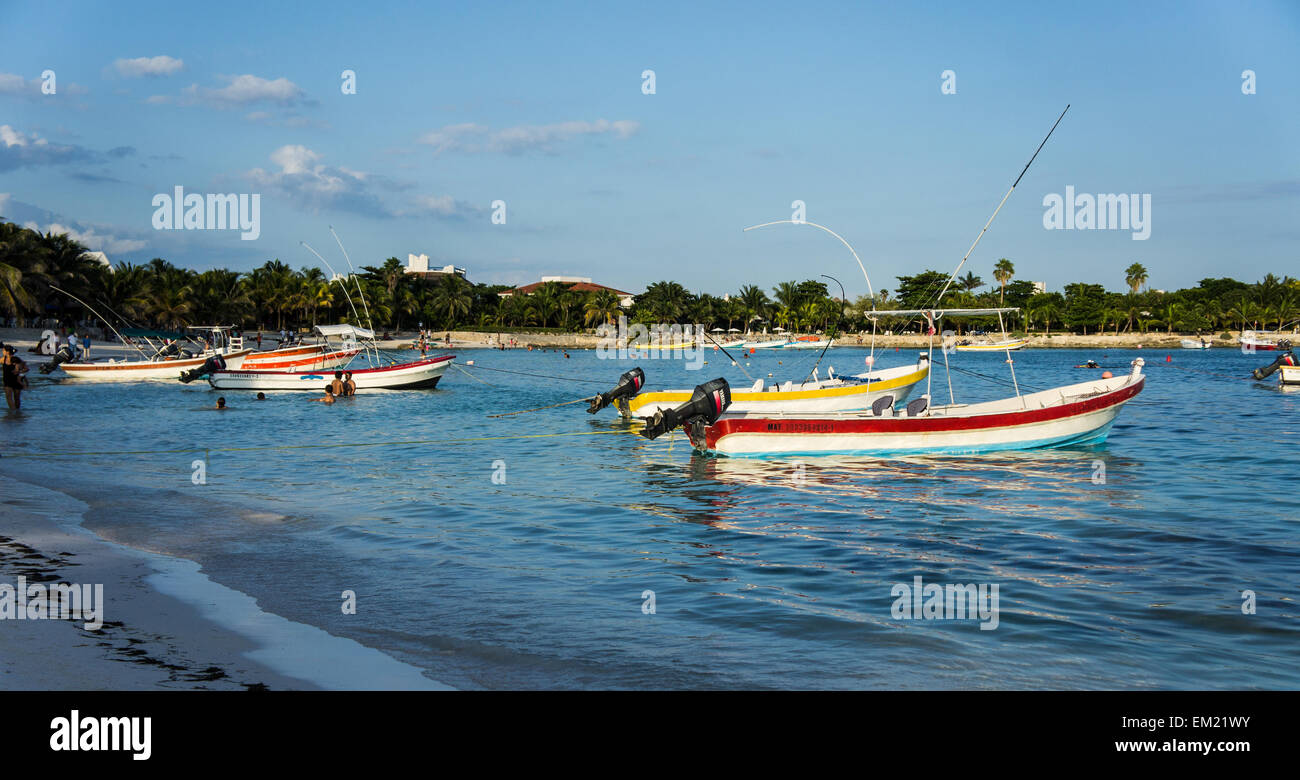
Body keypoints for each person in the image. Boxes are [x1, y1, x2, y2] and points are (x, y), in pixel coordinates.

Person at [2, 345, 28, 410]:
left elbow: (26, 369)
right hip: (7, 381)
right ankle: (13, 413)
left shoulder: (17, 359)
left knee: (16, 398)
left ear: (7, 352)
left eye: (3, 350)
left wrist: (19, 372)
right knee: (9, 397)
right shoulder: (3, 359)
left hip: (16, 380)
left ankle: (16, 414)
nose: (2, 351)